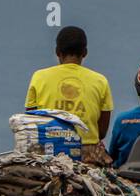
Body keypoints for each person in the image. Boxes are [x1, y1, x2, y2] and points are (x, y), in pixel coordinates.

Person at [25, 26, 113, 166]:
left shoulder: (39, 77)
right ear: (85, 52)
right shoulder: (100, 81)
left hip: (49, 150)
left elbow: (31, 124)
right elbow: (101, 132)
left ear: (57, 52)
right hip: (87, 153)